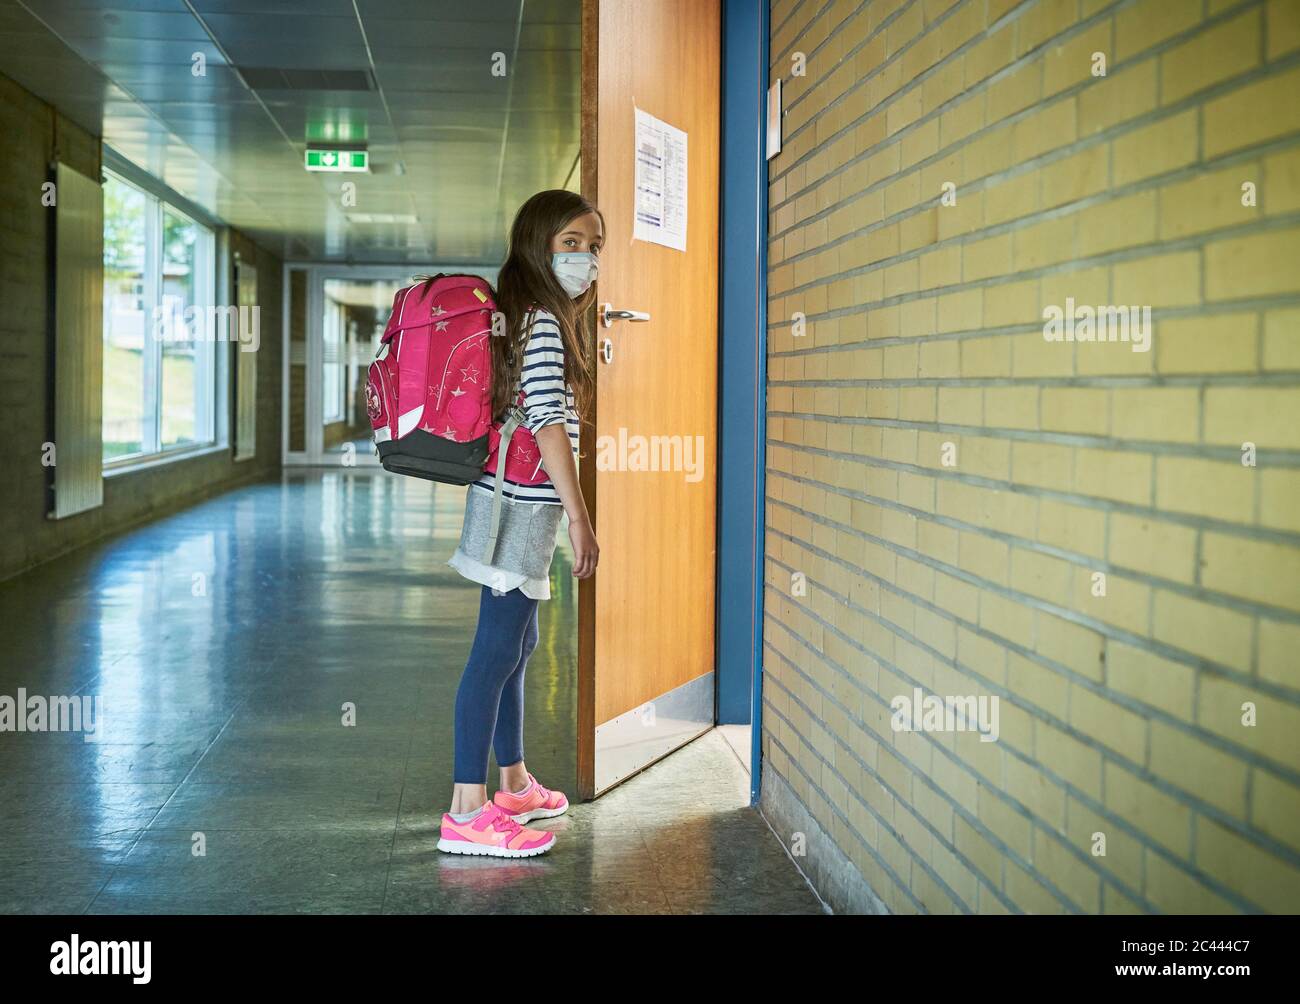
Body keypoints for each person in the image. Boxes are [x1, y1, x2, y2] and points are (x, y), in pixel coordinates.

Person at [436, 190, 603, 858]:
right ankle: (465, 811)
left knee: (520, 644)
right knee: (495, 652)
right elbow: (547, 422)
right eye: (571, 243)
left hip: (515, 506)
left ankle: (512, 786)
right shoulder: (540, 322)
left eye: (593, 245)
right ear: (539, 245)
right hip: (515, 509)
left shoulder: (530, 314)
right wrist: (582, 518)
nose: (586, 257)